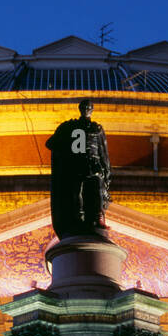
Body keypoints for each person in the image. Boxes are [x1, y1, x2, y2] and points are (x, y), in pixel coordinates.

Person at [45, 100, 111, 238]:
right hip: (78, 164)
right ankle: (79, 218)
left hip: (91, 165)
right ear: (81, 109)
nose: (87, 110)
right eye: (85, 108)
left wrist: (106, 173)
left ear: (91, 110)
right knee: (77, 191)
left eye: (89, 108)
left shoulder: (95, 129)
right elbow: (51, 143)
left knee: (94, 190)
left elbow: (103, 152)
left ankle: (97, 218)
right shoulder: (71, 127)